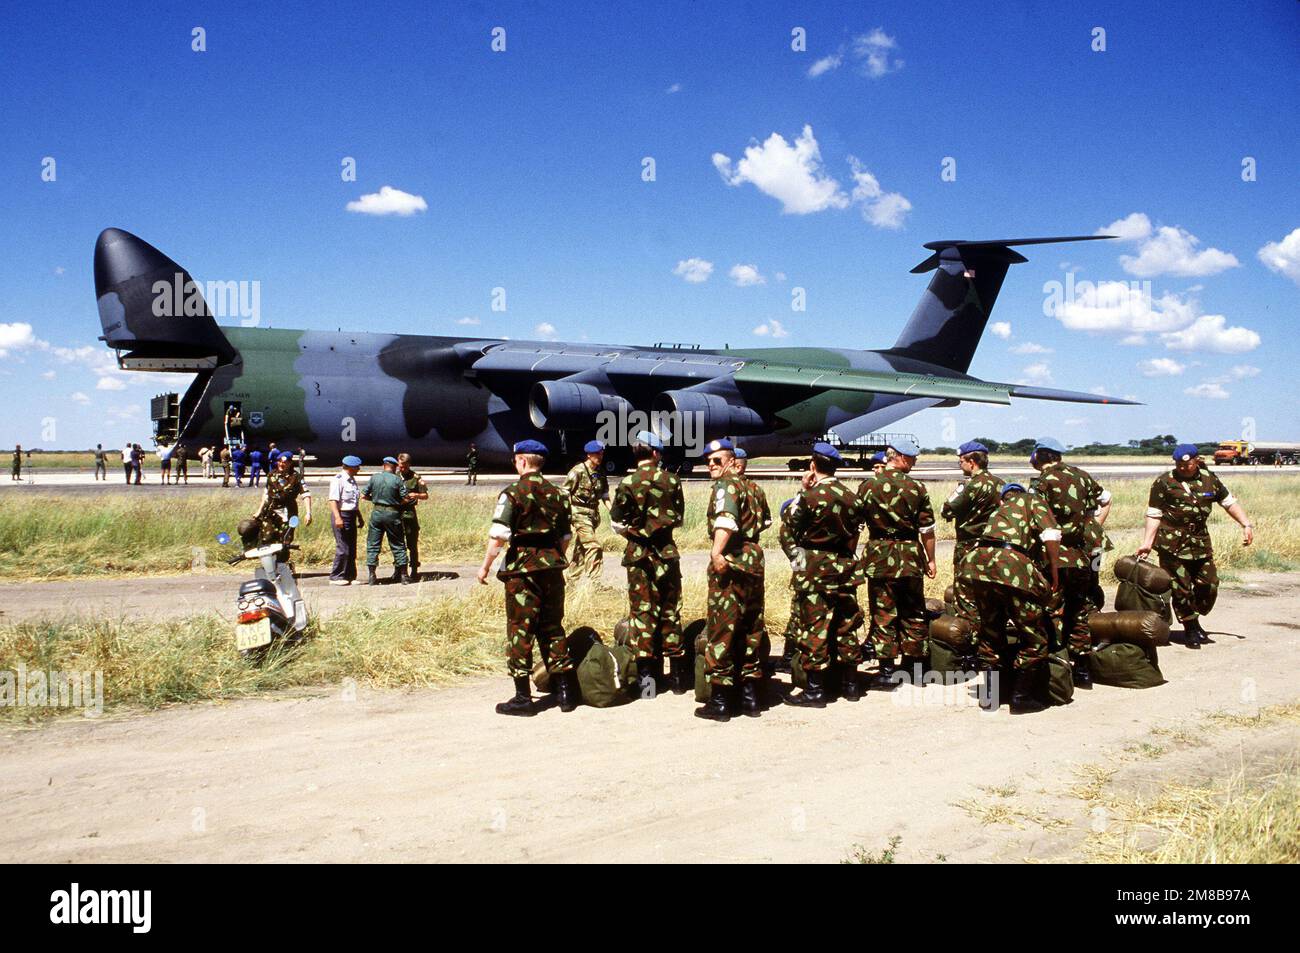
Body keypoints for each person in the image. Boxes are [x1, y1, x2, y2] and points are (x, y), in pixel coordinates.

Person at [477, 440, 576, 716]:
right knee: (553, 627)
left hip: (523, 570)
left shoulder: (512, 493)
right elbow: (566, 537)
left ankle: (523, 698)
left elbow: (499, 536)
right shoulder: (558, 494)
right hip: (552, 568)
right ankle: (565, 692)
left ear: (521, 461)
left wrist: (485, 567)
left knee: (521, 628)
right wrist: (552, 557)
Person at [957, 482, 1061, 713]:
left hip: (978, 564)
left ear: (1003, 499)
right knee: (1034, 636)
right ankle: (1021, 697)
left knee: (991, 630)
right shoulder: (1031, 500)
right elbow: (1052, 534)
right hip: (1009, 565)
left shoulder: (999, 511)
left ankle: (991, 697)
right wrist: (1054, 569)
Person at [1137, 443, 1254, 649]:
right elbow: (1154, 514)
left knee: (1209, 584)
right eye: (1178, 465)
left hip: (1200, 541)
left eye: (1187, 464)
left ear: (1196, 460)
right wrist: (1147, 543)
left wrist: (1245, 524)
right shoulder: (1164, 482)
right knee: (1180, 588)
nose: (1183, 468)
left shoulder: (1210, 480)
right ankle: (1190, 627)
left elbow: (1229, 503)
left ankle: (1195, 617)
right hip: (1172, 542)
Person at [784, 443, 868, 706]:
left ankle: (815, 691)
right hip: (843, 565)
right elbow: (855, 533)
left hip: (815, 567)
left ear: (812, 465)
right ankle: (851, 685)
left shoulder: (810, 496)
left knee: (815, 628)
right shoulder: (853, 498)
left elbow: (790, 522)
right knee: (846, 625)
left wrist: (802, 490)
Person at [1029, 437, 1111, 687]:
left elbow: (1036, 518)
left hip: (1054, 558)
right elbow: (1106, 499)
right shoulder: (1082, 475)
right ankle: (1083, 666)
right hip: (1083, 556)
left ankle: (1057, 664)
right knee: (1079, 609)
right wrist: (1094, 525)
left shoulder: (1041, 483)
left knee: (1051, 608)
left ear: (1041, 456)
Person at [609, 430, 686, 695]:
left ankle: (648, 685)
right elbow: (678, 518)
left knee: (642, 615)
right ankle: (677, 680)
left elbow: (616, 523)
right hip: (666, 553)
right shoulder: (672, 481)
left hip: (639, 557)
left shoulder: (626, 483)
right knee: (670, 610)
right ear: (655, 453)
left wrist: (635, 533)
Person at [695, 439, 767, 721]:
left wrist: (717, 552)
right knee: (751, 625)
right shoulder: (755, 488)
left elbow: (726, 520)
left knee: (722, 629)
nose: (711, 465)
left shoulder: (726, 486)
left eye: (716, 460)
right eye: (708, 461)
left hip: (732, 558)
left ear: (731, 461)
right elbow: (766, 523)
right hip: (753, 559)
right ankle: (750, 697)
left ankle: (721, 701)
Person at [858, 436, 936, 683]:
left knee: (883, 612)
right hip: (910, 556)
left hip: (879, 555)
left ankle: (886, 671)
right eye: (912, 459)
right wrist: (931, 560)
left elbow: (856, 525)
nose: (913, 463)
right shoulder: (917, 488)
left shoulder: (867, 486)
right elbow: (927, 530)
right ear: (899, 458)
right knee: (914, 611)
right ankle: (915, 668)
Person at [940, 441, 1005, 646]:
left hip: (968, 547)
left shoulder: (968, 486)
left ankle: (970, 643)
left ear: (972, 461)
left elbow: (947, 510)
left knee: (966, 596)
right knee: (992, 595)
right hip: (995, 548)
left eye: (961, 461)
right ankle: (992, 642)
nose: (961, 465)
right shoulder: (1001, 484)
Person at [564, 440, 609, 583]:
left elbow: (604, 495)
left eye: (601, 453)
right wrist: (567, 515)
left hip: (593, 515)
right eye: (597, 454)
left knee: (581, 549)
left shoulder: (601, 473)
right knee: (594, 546)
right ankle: (595, 583)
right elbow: (565, 493)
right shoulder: (577, 471)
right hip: (579, 514)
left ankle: (571, 580)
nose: (600, 456)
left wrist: (612, 512)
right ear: (589, 455)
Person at [362, 456, 411, 585]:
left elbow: (363, 495)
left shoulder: (374, 478)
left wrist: (375, 499)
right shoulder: (397, 480)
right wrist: (396, 503)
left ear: (384, 466)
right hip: (392, 513)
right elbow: (406, 498)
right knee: (398, 544)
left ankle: (372, 575)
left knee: (373, 544)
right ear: (394, 467)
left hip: (377, 513)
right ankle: (404, 576)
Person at [255, 452, 313, 545]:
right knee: (267, 538)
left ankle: (281, 559)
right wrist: (259, 511)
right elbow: (266, 494)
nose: (281, 464)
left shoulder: (296, 477)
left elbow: (306, 495)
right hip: (270, 511)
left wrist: (308, 513)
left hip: (288, 511)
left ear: (290, 463)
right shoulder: (271, 475)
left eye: (284, 462)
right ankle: (270, 559)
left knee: (285, 541)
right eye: (279, 461)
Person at [328, 456, 363, 585]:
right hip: (342, 515)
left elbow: (353, 501)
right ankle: (336, 576)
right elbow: (333, 501)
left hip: (352, 514)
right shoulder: (338, 480)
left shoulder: (352, 480)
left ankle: (349, 575)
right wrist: (338, 517)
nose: (359, 469)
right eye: (357, 467)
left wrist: (359, 516)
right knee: (343, 547)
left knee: (352, 547)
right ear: (350, 467)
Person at [396, 452, 429, 581]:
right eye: (400, 466)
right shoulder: (394, 476)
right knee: (398, 544)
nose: (401, 469)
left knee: (412, 544)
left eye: (404, 466)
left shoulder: (416, 477)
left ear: (409, 465)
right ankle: (398, 570)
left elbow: (425, 495)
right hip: (396, 514)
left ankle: (414, 569)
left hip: (409, 514)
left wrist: (415, 495)